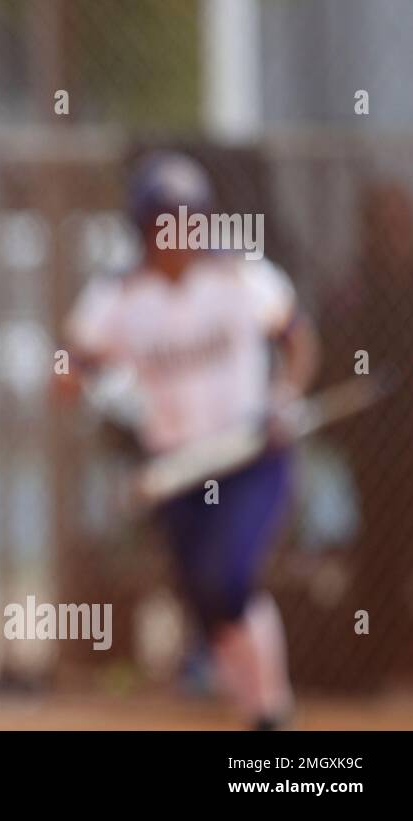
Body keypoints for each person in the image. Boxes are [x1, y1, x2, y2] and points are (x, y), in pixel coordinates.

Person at [62, 151, 319, 730]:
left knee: (230, 579)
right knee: (205, 601)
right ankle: (257, 712)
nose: (177, 235)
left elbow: (298, 339)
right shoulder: (121, 294)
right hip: (176, 468)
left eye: (187, 219)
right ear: (143, 230)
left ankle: (273, 716)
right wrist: (80, 375)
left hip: (251, 455)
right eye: (162, 222)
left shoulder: (239, 276)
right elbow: (75, 362)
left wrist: (286, 394)